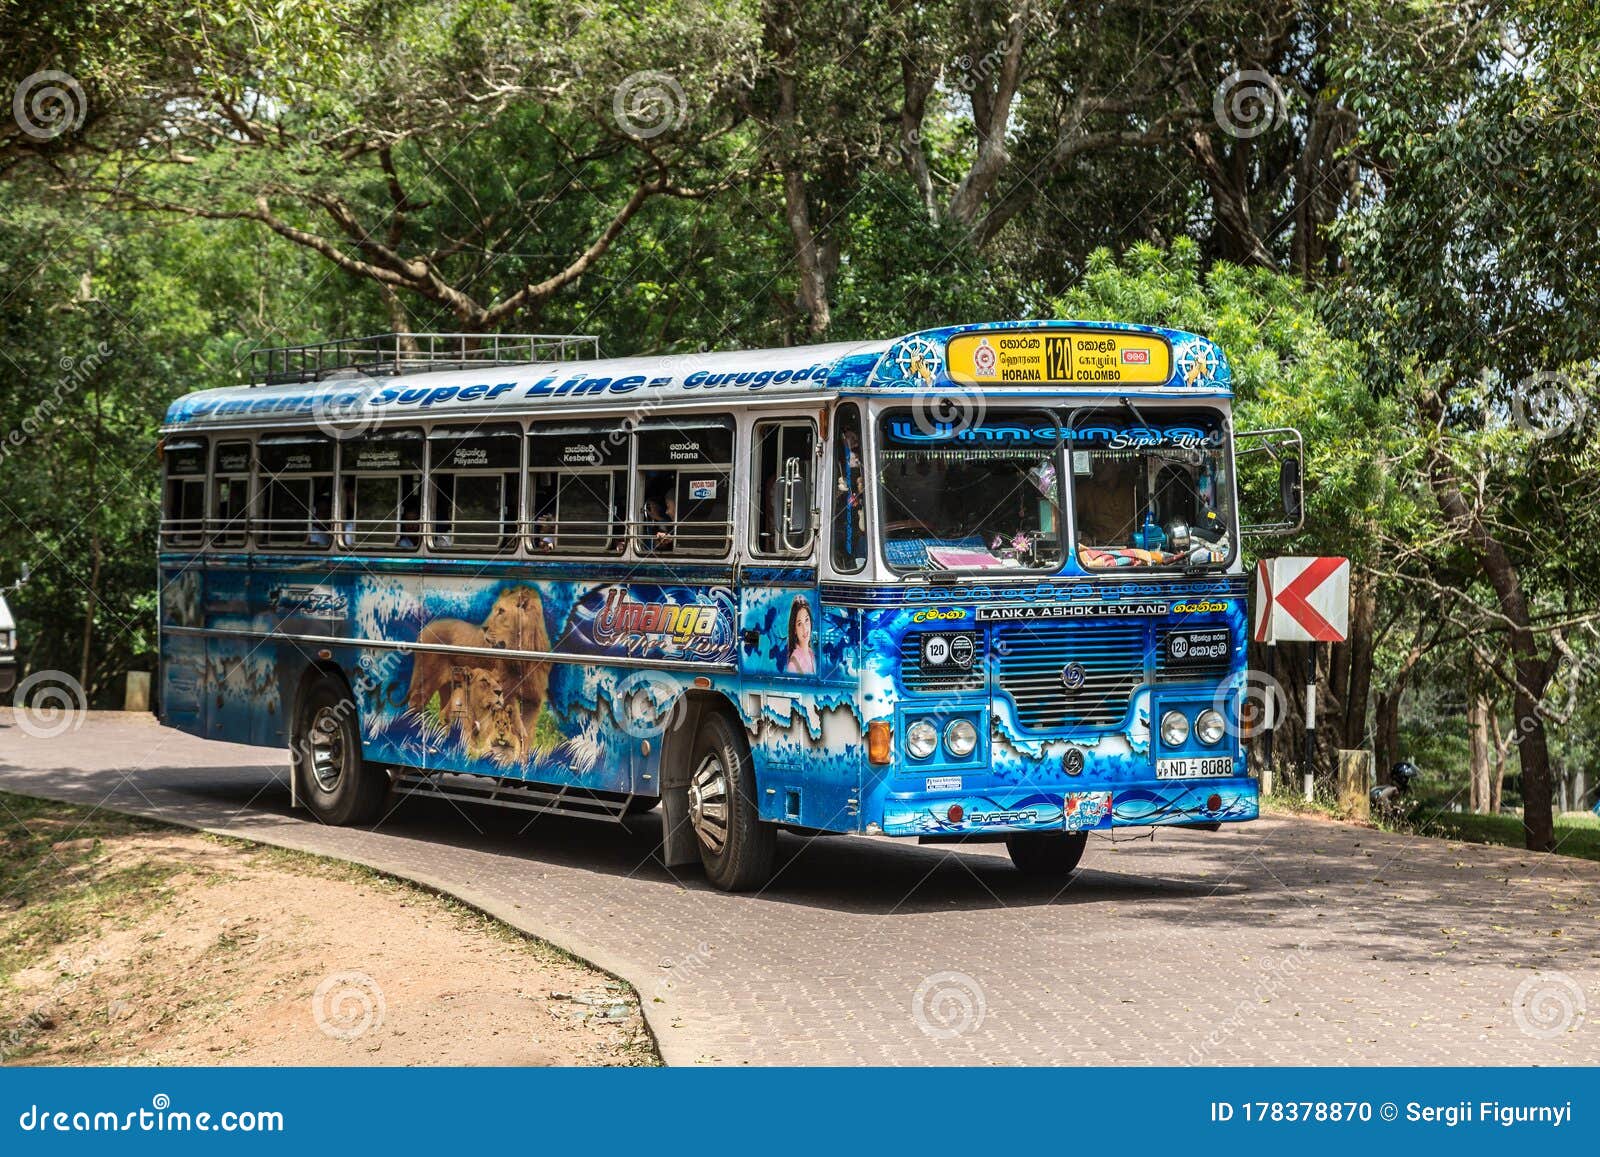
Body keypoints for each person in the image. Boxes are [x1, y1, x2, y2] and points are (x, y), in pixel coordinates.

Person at [784, 597, 816, 675]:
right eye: (799, 624)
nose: (804, 629)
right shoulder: (793, 664)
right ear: (795, 629)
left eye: (806, 620)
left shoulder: (811, 653)